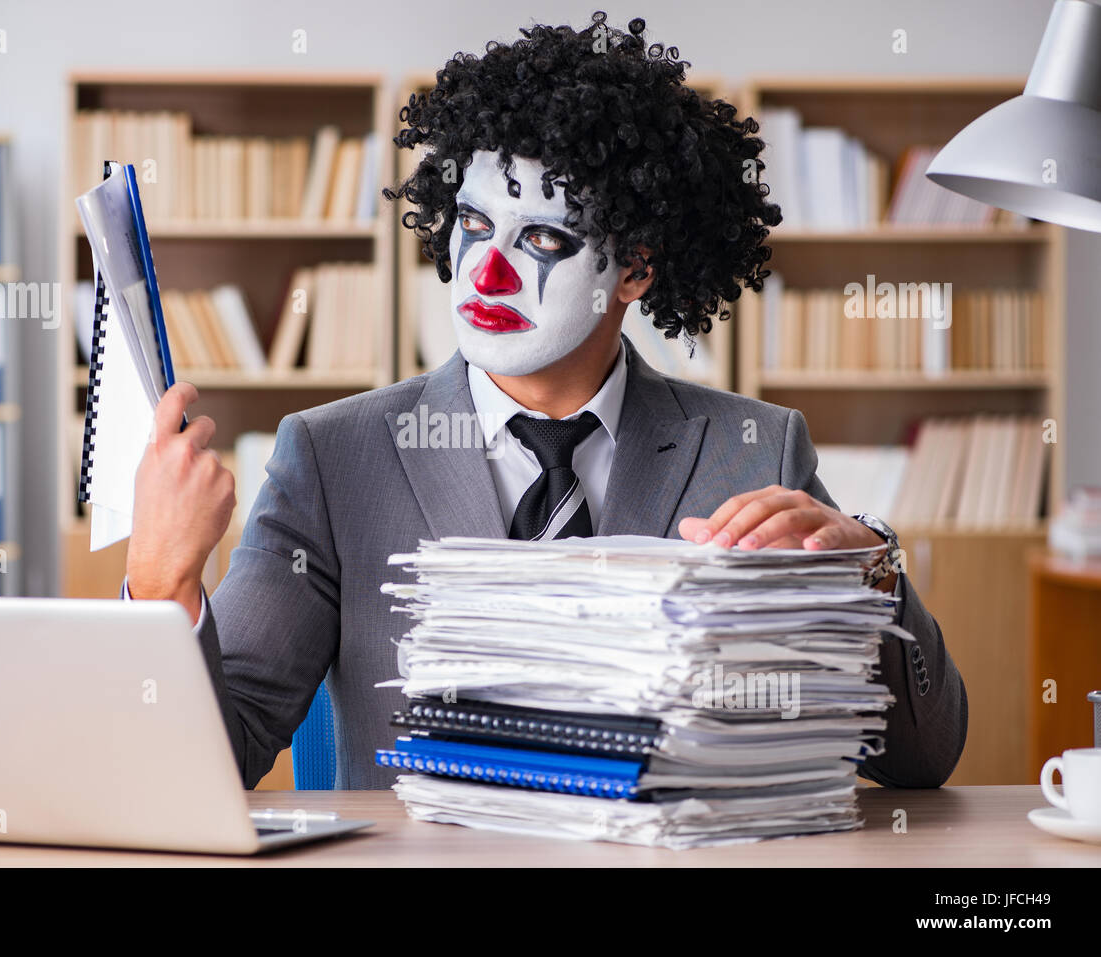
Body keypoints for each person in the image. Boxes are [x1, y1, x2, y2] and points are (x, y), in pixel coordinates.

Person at [125, 13, 967, 789]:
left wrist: (872, 570)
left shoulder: (755, 446)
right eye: (475, 226)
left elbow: (921, 760)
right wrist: (164, 580)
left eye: (541, 239)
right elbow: (213, 755)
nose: (485, 272)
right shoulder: (331, 456)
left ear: (634, 269)